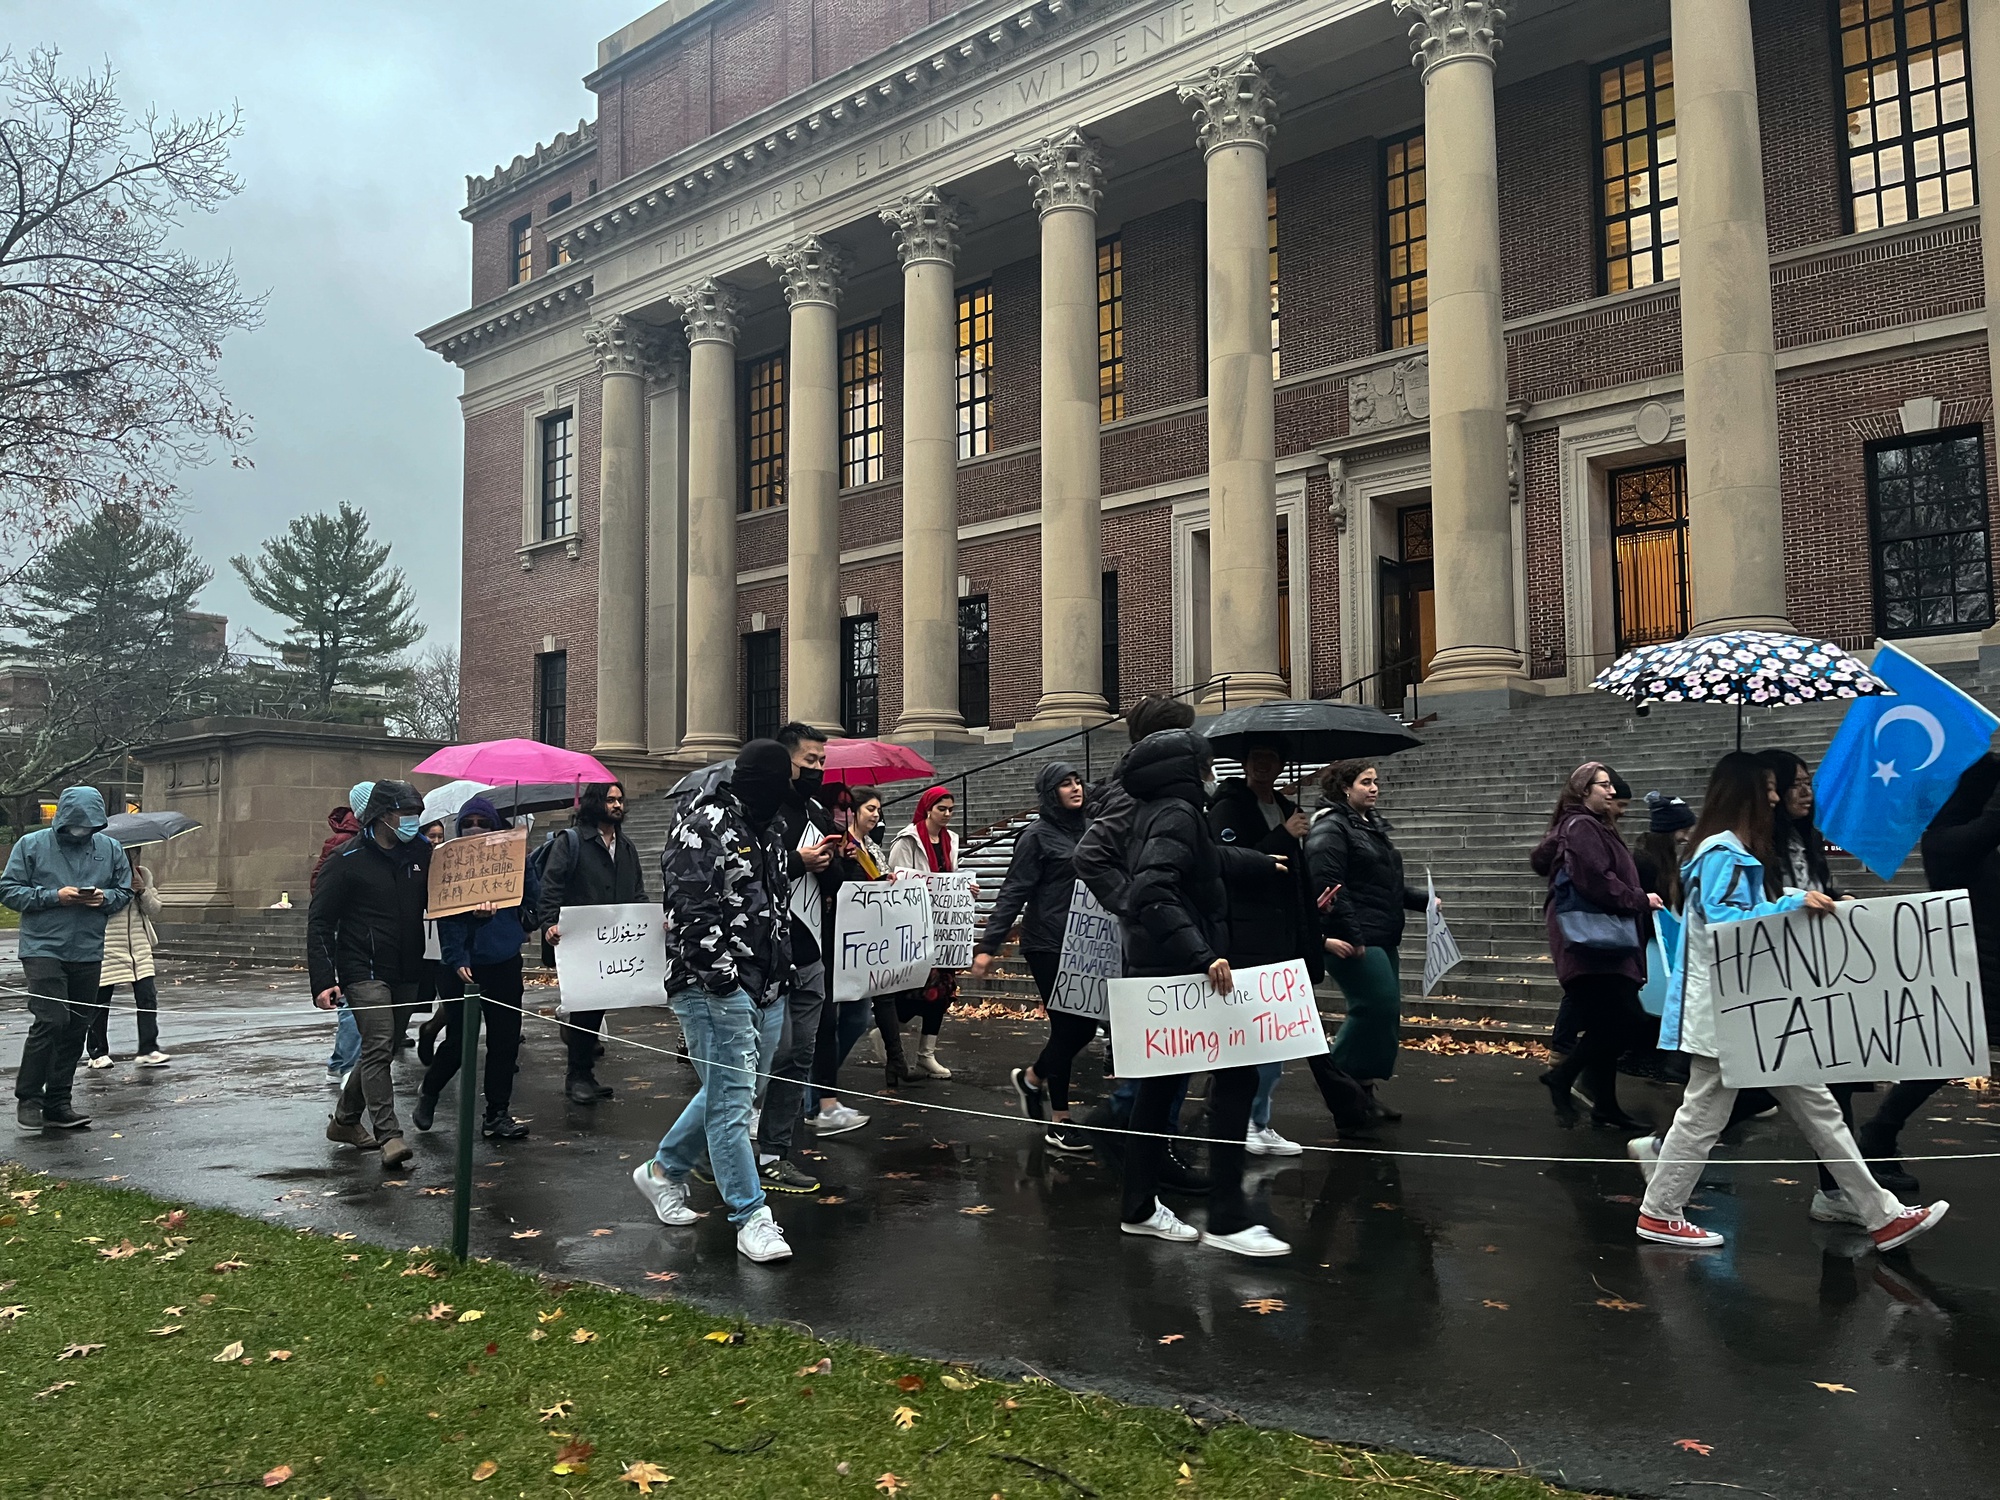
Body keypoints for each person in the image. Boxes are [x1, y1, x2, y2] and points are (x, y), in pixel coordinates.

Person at [1630, 752, 1947, 1252]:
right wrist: (1792, 902)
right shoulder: (1723, 851)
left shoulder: (1723, 849)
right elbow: (1727, 924)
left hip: (1744, 1009)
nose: (1777, 797)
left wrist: (1789, 902)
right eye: (1769, 789)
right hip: (1733, 1011)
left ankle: (1882, 1214)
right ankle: (1661, 1212)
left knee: (1807, 1109)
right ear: (1746, 795)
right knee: (1727, 1115)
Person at [1115, 728, 1289, 1256]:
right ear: (1187, 769)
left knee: (1159, 1089)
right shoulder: (1179, 812)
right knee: (1236, 1077)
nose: (1214, 773)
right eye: (1207, 764)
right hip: (1186, 972)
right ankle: (1228, 1219)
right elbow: (1153, 888)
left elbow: (1205, 860)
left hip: (1164, 970)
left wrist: (1260, 860)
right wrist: (1200, 953)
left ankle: (1139, 1207)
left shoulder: (1162, 811)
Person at [630, 738, 796, 1264]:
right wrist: (724, 983)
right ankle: (751, 1216)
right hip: (712, 988)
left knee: (735, 1091)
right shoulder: (702, 827)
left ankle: (663, 1170)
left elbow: (775, 905)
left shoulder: (770, 831)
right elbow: (690, 913)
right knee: (731, 1103)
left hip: (766, 984)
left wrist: (781, 970)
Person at [1861, 753, 2000, 1191]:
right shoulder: (1944, 839)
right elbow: (1990, 825)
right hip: (1976, 969)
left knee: (1945, 1058)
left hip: (1983, 964)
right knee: (1945, 1059)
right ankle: (1879, 1132)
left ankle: (1880, 1132)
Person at [307, 779, 430, 1170]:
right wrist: (324, 979)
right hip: (363, 967)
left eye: (416, 813)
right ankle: (389, 1135)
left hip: (408, 966)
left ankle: (344, 1120)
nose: (412, 821)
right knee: (378, 1043)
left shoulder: (422, 854)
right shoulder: (346, 859)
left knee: (385, 1047)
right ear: (382, 815)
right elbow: (320, 921)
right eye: (405, 813)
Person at [974, 762, 1095, 1154]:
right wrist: (988, 946)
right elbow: (1013, 891)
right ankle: (1059, 1121)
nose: (1075, 788)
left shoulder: (1092, 827)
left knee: (1085, 1029)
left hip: (1086, 941)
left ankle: (1032, 1079)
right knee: (1067, 1026)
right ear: (1049, 793)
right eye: (1065, 784)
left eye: (1077, 781)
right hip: (1047, 942)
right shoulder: (1036, 836)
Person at [1529, 761, 1653, 1131]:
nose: (1612, 791)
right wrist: (1639, 899)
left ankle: (1606, 1106)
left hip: (1601, 942)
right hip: (1592, 942)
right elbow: (1596, 881)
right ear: (1584, 790)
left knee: (1606, 1024)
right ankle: (1562, 1077)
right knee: (1626, 1022)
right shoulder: (1582, 826)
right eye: (1604, 785)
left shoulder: (1590, 825)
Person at [1209, 736, 1315, 1157]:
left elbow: (1294, 876)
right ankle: (1241, 1124)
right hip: (1245, 938)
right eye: (1256, 758)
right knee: (1250, 1038)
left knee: (1275, 1038)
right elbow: (1229, 863)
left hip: (1282, 936)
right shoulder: (1228, 808)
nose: (1262, 765)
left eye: (1271, 758)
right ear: (1244, 763)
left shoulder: (1289, 808)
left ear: (1282, 765)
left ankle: (1260, 1120)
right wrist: (1282, 837)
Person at [5, 786, 133, 1133]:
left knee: (77, 1026)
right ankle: (29, 1099)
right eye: (76, 824)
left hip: (88, 948)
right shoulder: (31, 845)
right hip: (43, 947)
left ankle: (58, 1102)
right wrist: (53, 896)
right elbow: (9, 890)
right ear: (62, 818)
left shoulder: (110, 849)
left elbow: (124, 891)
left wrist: (105, 898)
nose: (81, 830)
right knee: (52, 1019)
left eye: (89, 825)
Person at [1305, 759, 1426, 1122]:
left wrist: (1423, 901)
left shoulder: (1369, 825)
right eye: (1365, 782)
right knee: (1375, 1006)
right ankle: (1338, 1081)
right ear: (1345, 787)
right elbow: (1328, 884)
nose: (1374, 788)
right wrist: (1351, 934)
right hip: (1353, 935)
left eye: (1375, 781)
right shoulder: (1330, 827)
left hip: (1381, 932)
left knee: (1386, 1014)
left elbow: (1381, 883)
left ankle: (1363, 1091)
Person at [411, 797, 534, 1141]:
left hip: (504, 962)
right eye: (468, 823)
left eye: (483, 823)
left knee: (504, 1042)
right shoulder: (448, 861)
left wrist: (524, 920)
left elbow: (533, 900)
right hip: (460, 967)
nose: (475, 829)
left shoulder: (516, 860)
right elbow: (446, 916)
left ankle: (497, 1114)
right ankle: (430, 1090)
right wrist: (458, 955)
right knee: (460, 1041)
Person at [755, 722, 841, 1195]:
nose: (817, 770)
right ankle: (713, 1151)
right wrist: (796, 861)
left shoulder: (817, 811)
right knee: (760, 1060)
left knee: (798, 1057)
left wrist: (834, 861)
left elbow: (835, 882)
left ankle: (774, 1154)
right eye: (810, 761)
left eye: (822, 762)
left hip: (811, 956)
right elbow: (749, 872)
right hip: (766, 958)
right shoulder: (761, 810)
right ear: (784, 759)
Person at [537, 781, 646, 1105]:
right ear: (595, 803)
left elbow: (637, 891)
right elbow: (551, 886)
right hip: (580, 940)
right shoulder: (571, 842)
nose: (617, 805)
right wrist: (549, 923)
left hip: (613, 943)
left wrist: (649, 921)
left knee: (597, 1006)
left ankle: (586, 1074)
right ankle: (577, 1076)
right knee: (585, 1007)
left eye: (620, 799)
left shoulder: (626, 846)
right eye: (610, 799)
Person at [809, 784, 888, 1130]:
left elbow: (879, 883)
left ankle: (815, 1092)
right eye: (870, 808)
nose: (876, 815)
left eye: (878, 810)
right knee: (826, 1023)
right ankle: (816, 1098)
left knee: (856, 1019)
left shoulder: (870, 848)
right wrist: (841, 861)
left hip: (861, 949)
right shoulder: (830, 844)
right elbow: (834, 887)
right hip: (833, 944)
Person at [885, 785, 963, 1079]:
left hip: (943, 927)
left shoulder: (951, 840)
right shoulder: (907, 841)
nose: (947, 814)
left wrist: (964, 890)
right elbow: (896, 880)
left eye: (951, 810)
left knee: (943, 991)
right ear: (928, 809)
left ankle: (926, 1054)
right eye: (942, 809)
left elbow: (953, 876)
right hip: (915, 925)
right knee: (914, 989)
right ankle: (888, 1033)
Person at [85, 855, 168, 1069]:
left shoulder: (143, 873)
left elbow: (155, 908)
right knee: (100, 1000)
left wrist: (142, 891)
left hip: (139, 945)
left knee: (147, 997)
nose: (133, 857)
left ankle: (148, 1049)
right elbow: (95, 907)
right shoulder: (98, 874)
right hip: (108, 942)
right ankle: (97, 1052)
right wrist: (120, 889)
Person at [314, 797, 365, 1085]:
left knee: (354, 1003)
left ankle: (340, 1062)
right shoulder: (343, 844)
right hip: (348, 929)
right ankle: (347, 1066)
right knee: (351, 1002)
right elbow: (320, 885)